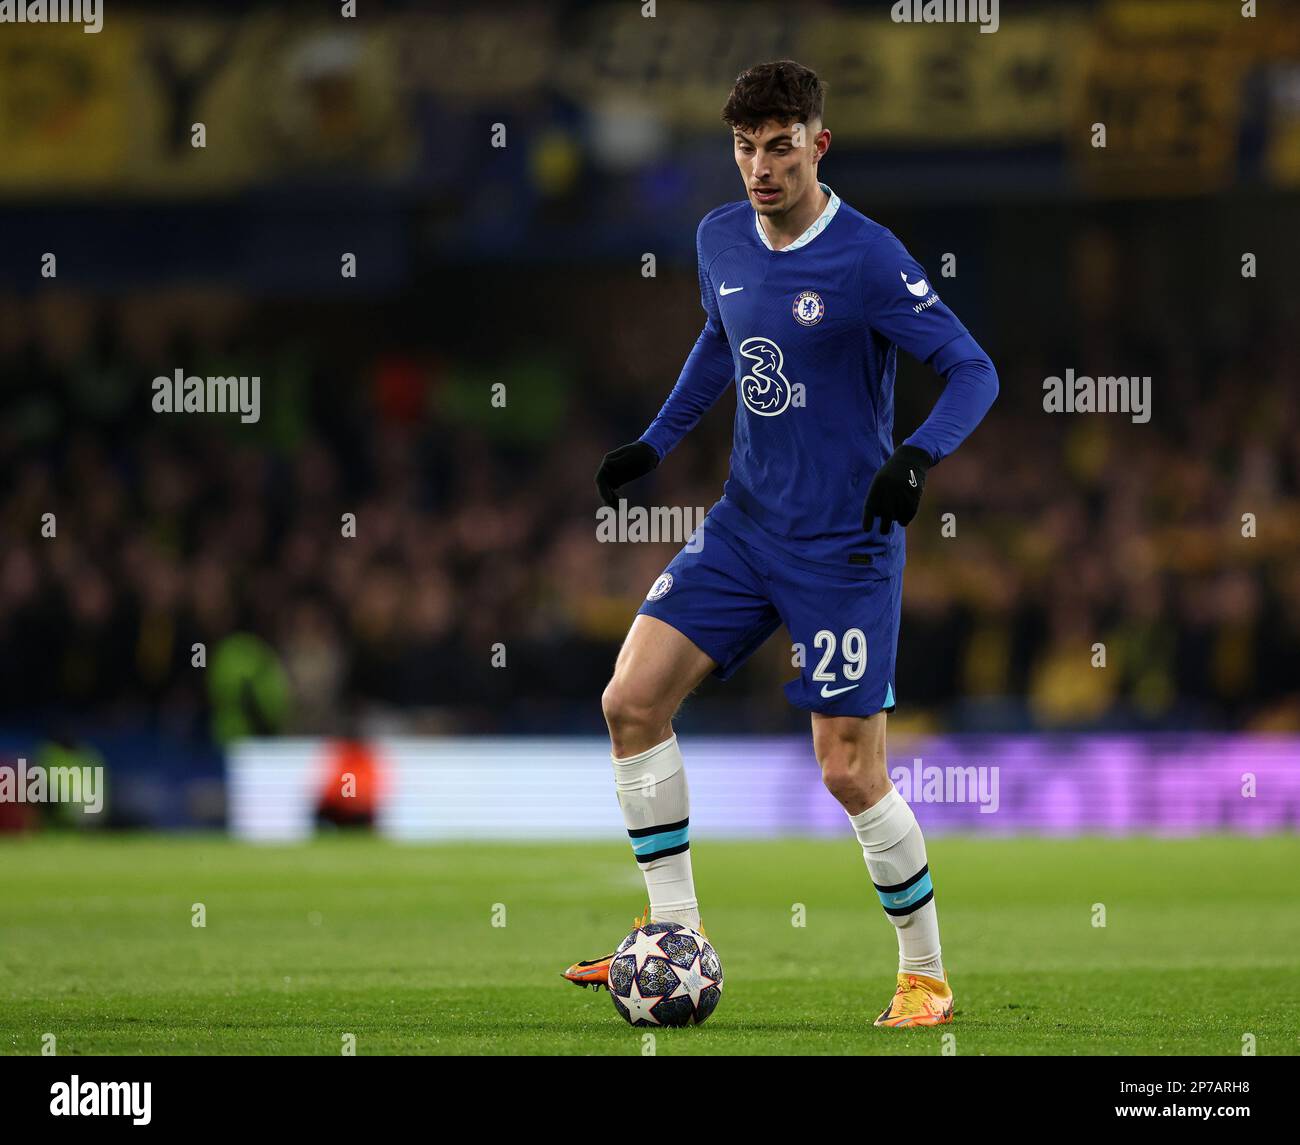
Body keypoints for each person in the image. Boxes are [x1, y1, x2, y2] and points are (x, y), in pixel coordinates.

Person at [567, 59, 998, 1027]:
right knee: (630, 700)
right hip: (744, 527)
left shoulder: (868, 258)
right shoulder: (717, 234)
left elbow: (973, 369)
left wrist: (917, 457)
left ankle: (924, 975)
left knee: (848, 770)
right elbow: (720, 339)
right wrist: (653, 441)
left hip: (844, 545)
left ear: (817, 144)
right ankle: (674, 931)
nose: (760, 168)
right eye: (744, 148)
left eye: (779, 146)